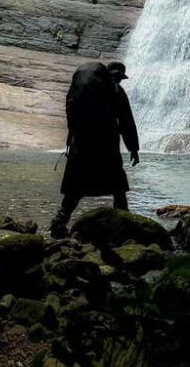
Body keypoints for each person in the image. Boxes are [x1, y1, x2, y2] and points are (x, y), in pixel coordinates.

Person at [50, 60, 140, 238]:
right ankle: (124, 224)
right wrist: (133, 149)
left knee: (75, 187)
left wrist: (72, 137)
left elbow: (70, 109)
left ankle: (58, 223)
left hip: (82, 144)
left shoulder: (82, 90)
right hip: (106, 144)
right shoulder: (115, 91)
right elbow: (126, 121)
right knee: (117, 185)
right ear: (117, 76)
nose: (120, 81)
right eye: (120, 78)